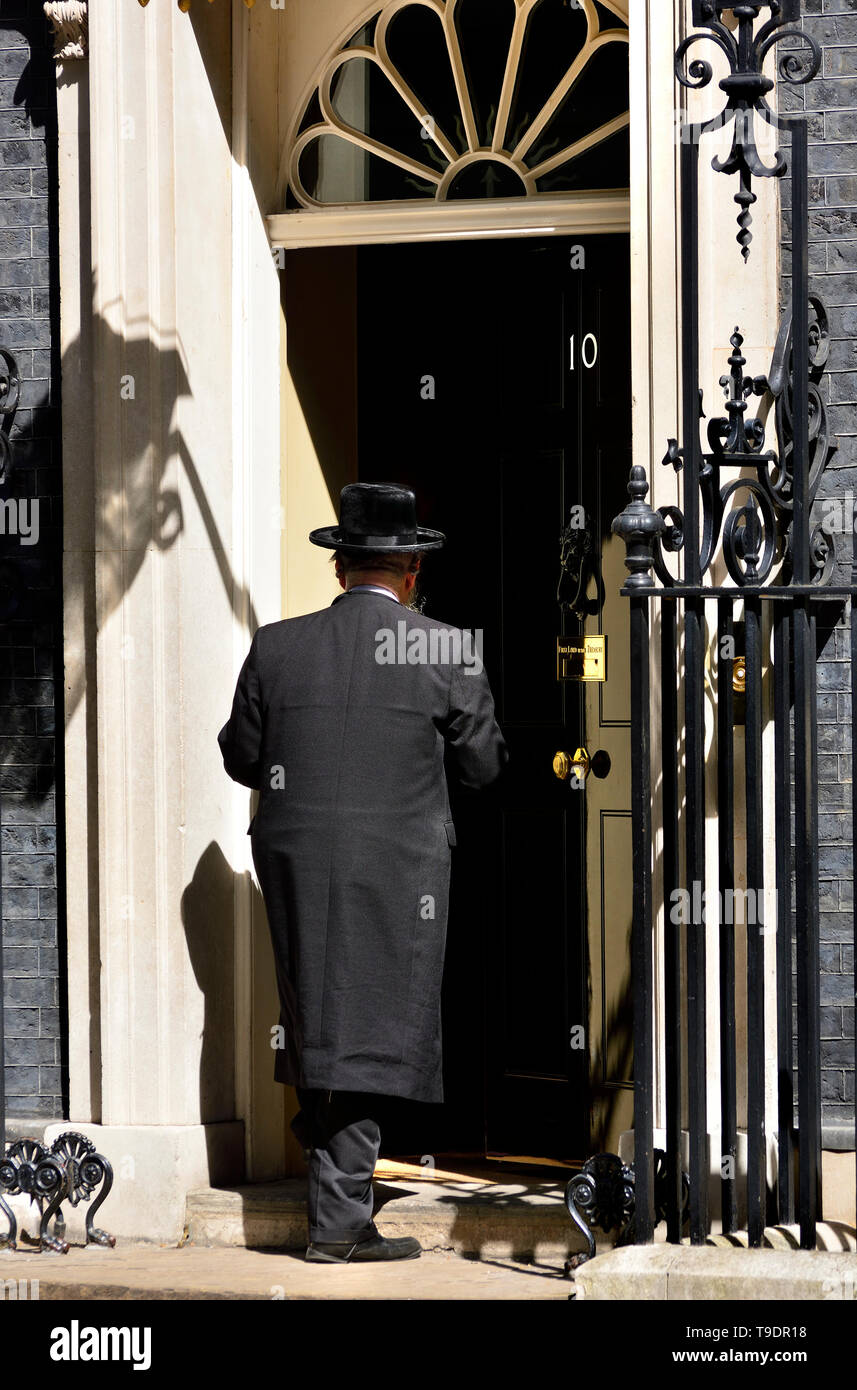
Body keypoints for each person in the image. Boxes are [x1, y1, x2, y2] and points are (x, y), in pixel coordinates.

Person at [218, 482, 508, 1263]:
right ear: (412, 569)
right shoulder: (440, 647)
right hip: (397, 866)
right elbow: (484, 767)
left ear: (339, 566)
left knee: (319, 1016)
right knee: (369, 1028)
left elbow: (242, 756)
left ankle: (335, 1202)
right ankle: (340, 1224)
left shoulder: (276, 644)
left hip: (294, 858)